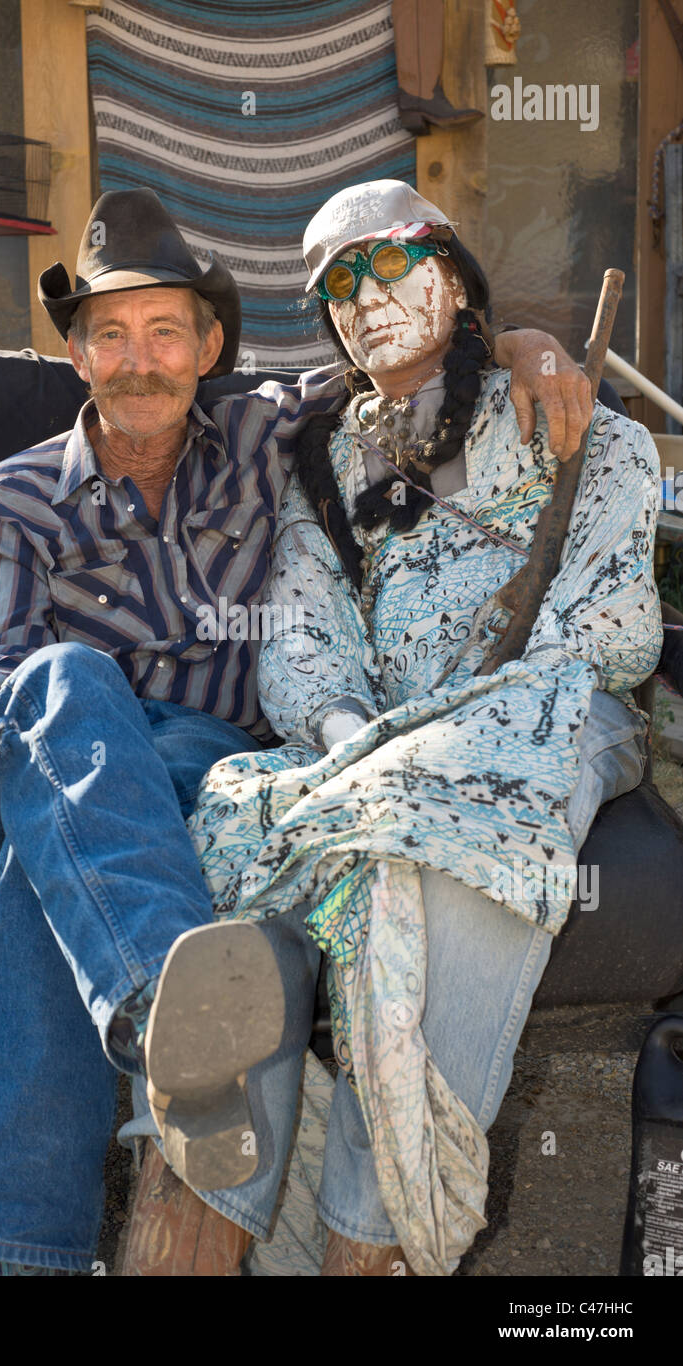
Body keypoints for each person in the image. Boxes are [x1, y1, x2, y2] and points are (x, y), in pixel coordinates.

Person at [0, 186, 596, 1276]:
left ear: (209, 345)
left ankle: (18, 1259)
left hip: (202, 768)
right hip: (43, 752)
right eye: (108, 334)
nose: (139, 358)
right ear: (74, 355)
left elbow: (407, 361)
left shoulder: (268, 433)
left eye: (165, 330)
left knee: (34, 901)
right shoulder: (7, 500)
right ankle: (164, 998)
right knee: (71, 678)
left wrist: (530, 342)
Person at [145, 179, 661, 1276]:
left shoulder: (582, 429)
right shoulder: (324, 457)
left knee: (435, 845)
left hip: (548, 721)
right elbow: (300, 631)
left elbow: (611, 637)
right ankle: (227, 1196)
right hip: (374, 751)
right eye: (335, 281)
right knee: (250, 837)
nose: (362, 296)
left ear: (455, 279)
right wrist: (347, 735)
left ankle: (374, 1239)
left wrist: (438, 738)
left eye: (386, 263)